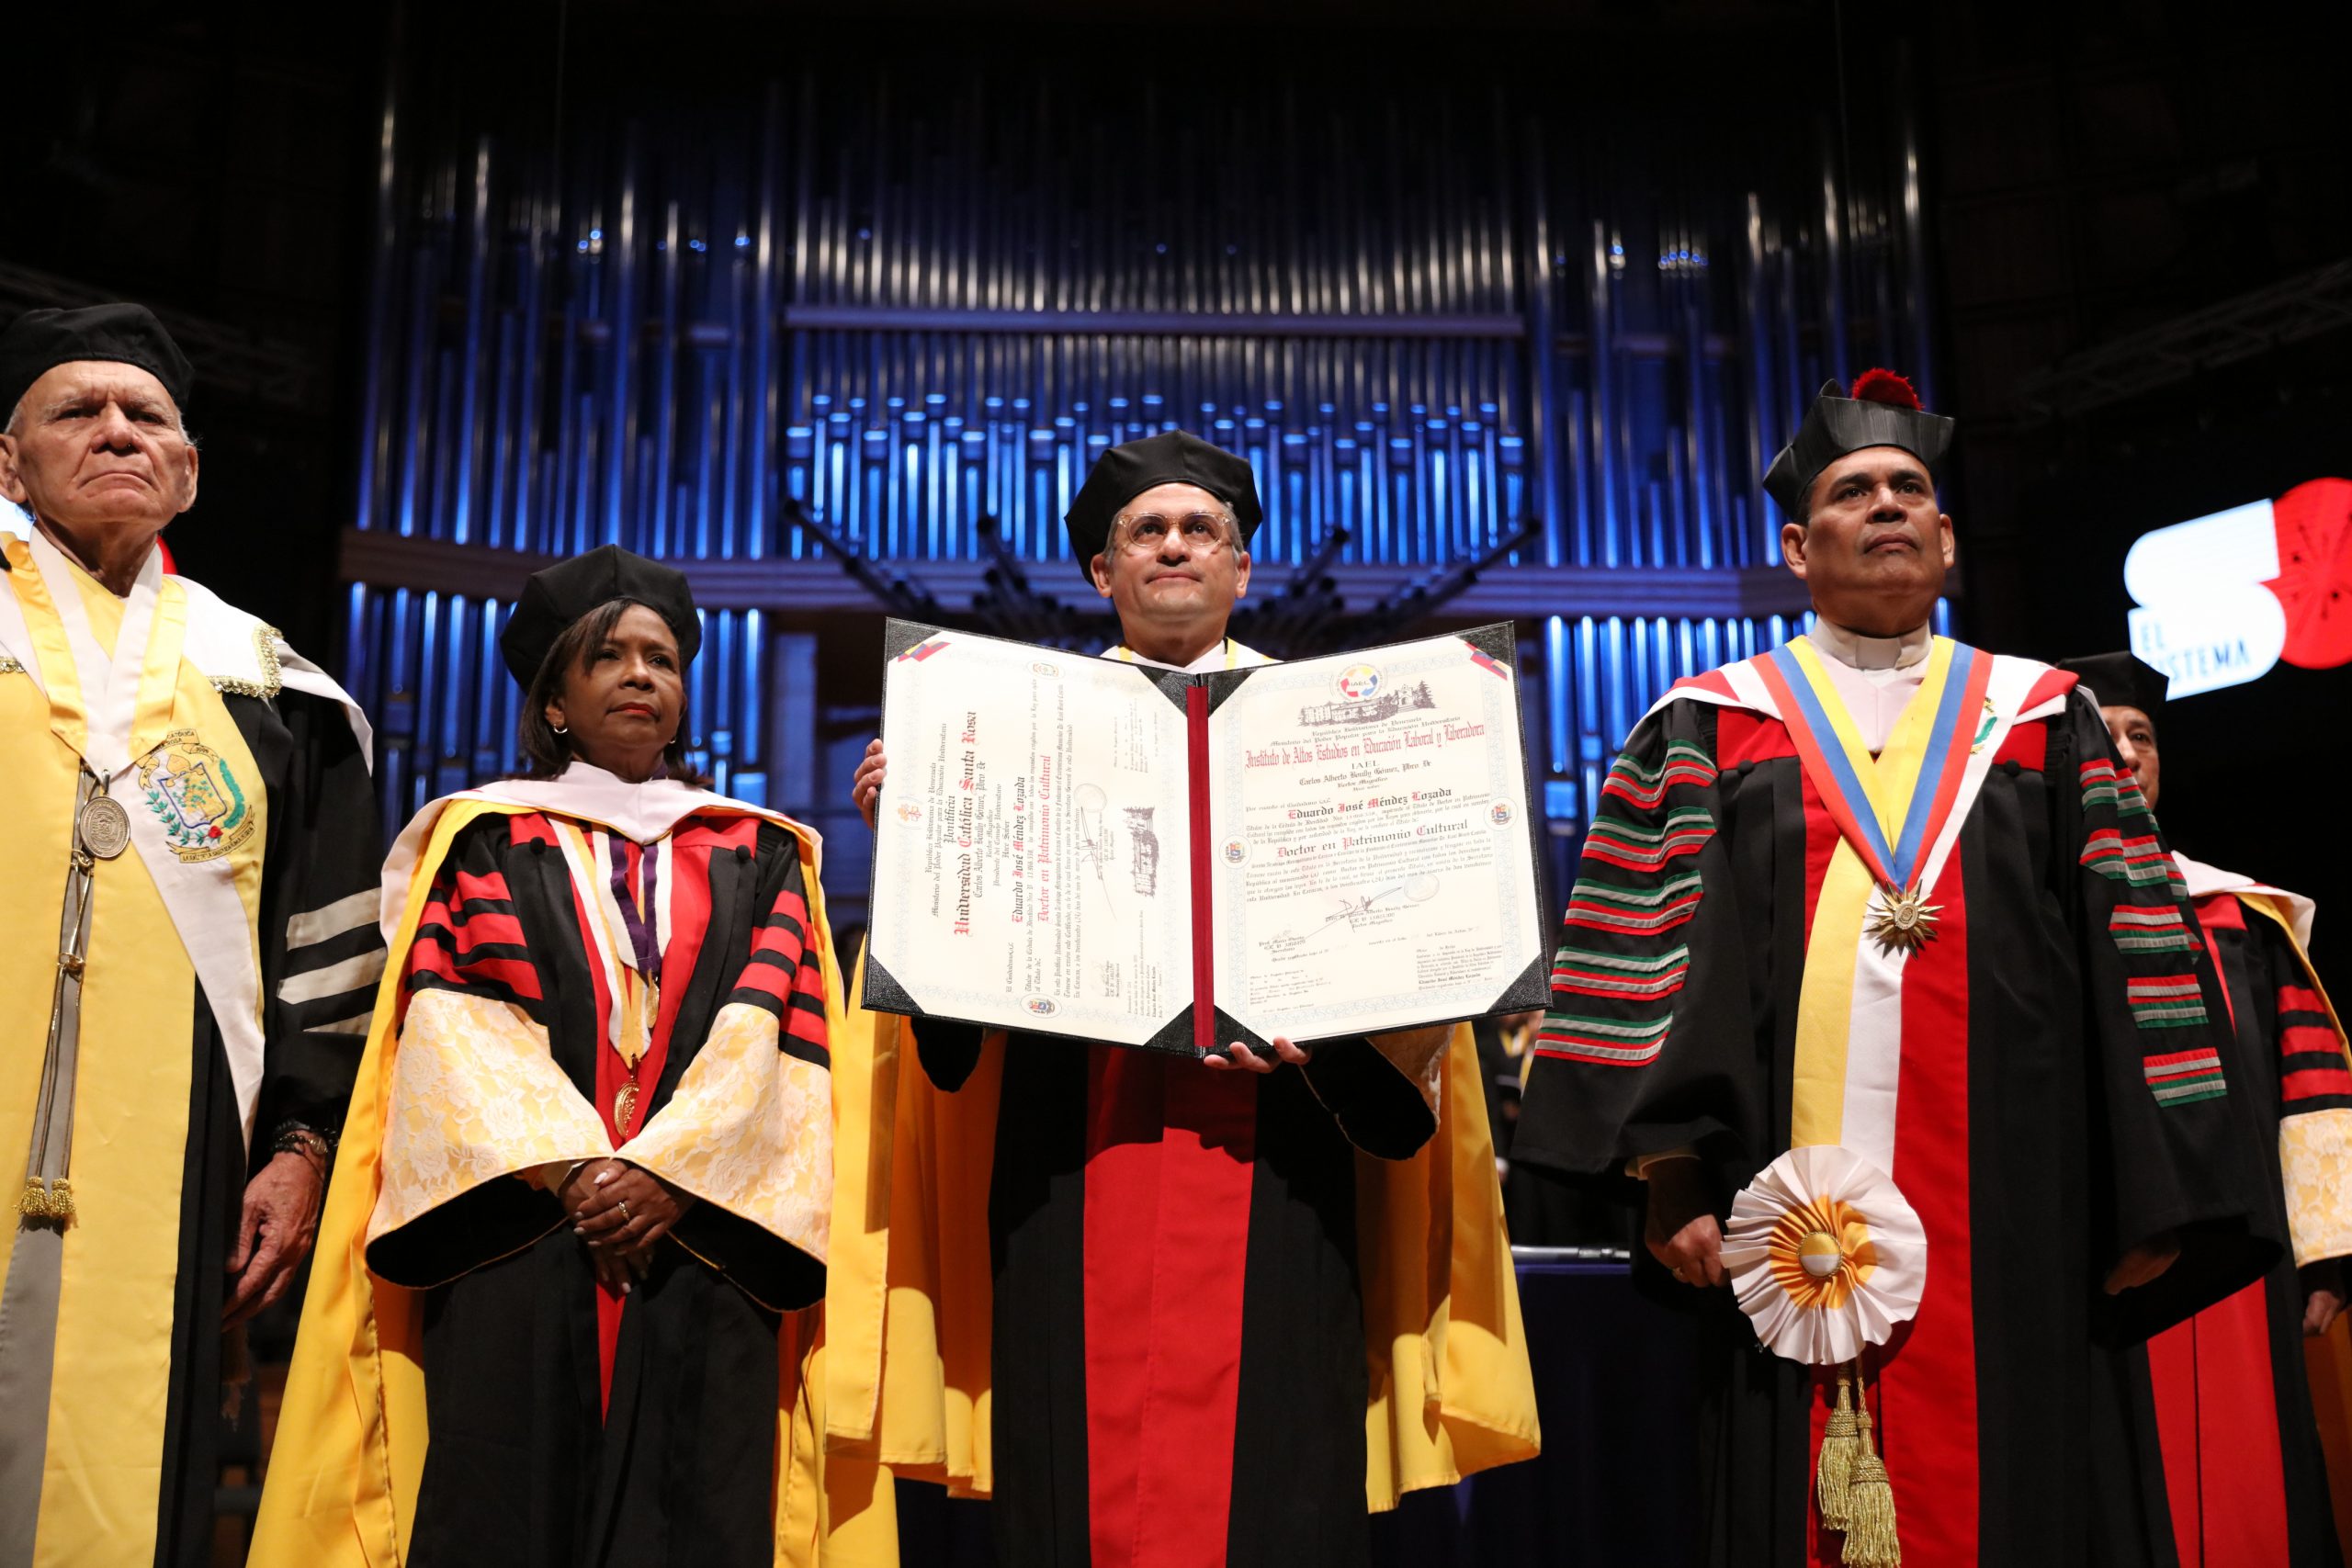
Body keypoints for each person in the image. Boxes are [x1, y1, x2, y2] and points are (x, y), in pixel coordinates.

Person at [1511, 371, 2276, 1567]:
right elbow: (1642, 959)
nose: (1887, 508)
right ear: (1796, 543)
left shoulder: (2044, 717)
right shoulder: (1712, 723)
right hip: (1778, 1193)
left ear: (1950, 536)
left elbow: (2148, 968)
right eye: (1854, 490)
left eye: (1910, 489)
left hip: (2025, 1194)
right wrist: (1666, 1171)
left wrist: (2155, 1193)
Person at [830, 431, 1537, 1567]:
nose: (1173, 546)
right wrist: (924, 849)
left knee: (1281, 1479)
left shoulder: (1337, 737)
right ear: (1101, 574)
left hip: (1283, 1161)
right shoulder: (1013, 730)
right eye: (1144, 532)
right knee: (1070, 1477)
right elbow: (951, 1039)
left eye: (1198, 528)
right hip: (1073, 1145)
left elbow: (1402, 1028)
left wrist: (1328, 1040)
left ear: (1241, 568)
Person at [252, 547, 848, 1567]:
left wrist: (669, 1174)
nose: (639, 674)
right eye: (607, 656)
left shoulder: (763, 849)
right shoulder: (483, 837)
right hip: (525, 1226)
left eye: (660, 658)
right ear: (557, 701)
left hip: (705, 1235)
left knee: (705, 1505)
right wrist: (576, 1169)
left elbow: (778, 1027)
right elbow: (455, 1024)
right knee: (504, 1503)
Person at [0, 303, 380, 1567]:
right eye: (77, 409)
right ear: (10, 462)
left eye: (145, 414)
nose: (116, 430)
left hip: (174, 1178)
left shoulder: (276, 693)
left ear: (191, 469)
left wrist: (302, 1144)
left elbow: (324, 959)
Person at [2060, 649, 2352, 1566]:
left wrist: (2325, 1252)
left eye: (2142, 736)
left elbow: (2312, 1082)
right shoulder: (2036, 918)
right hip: (2103, 1249)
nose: (2128, 751)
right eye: (2103, 736)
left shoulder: (2241, 917)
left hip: (2247, 1246)